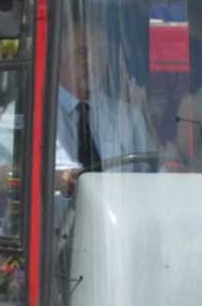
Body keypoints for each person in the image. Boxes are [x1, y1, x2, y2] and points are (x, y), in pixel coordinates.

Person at [53, 18, 154, 194]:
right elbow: (8, 180)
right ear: (58, 59)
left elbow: (153, 179)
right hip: (55, 220)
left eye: (100, 53)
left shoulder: (128, 118)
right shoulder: (32, 116)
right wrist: (54, 180)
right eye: (81, 53)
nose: (93, 62)